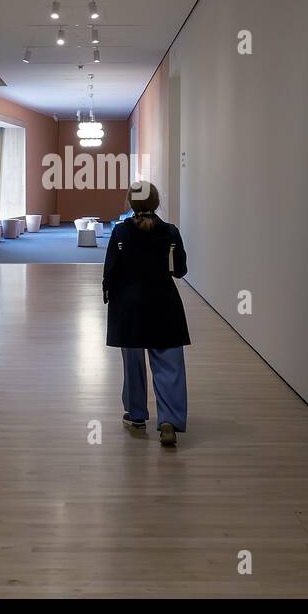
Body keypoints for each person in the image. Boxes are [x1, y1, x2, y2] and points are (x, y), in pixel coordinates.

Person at [102, 181, 191, 446]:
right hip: (165, 304)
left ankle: (137, 415)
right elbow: (180, 270)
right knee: (169, 365)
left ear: (131, 202)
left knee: (133, 364)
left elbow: (112, 271)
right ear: (155, 202)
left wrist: (109, 294)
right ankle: (169, 422)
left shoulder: (120, 232)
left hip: (129, 306)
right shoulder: (170, 232)